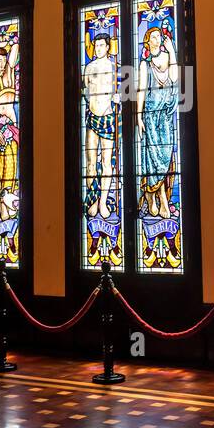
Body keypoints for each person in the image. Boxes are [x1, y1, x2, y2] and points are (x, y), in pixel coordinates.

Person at [137, 20, 180, 267]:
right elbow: (141, 90)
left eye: (157, 37)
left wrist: (171, 47)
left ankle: (158, 200)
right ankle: (158, 200)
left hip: (165, 116)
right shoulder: (144, 64)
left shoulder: (167, 58)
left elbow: (175, 76)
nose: (154, 41)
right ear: (146, 42)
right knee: (153, 160)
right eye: (151, 38)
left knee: (166, 158)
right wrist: (139, 117)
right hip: (151, 117)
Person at [83, 28, 122, 265]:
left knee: (106, 162)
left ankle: (103, 202)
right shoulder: (88, 67)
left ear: (107, 47)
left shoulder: (113, 66)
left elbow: (119, 91)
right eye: (95, 46)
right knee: (89, 162)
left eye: (101, 45)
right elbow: (86, 91)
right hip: (91, 116)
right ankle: (93, 199)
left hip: (107, 115)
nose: (98, 49)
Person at [0, 39, 20, 263]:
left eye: (2, 59)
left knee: (10, 169)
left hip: (12, 130)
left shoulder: (9, 73)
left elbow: (15, 50)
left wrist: (6, 42)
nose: (0, 63)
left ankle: (5, 211)